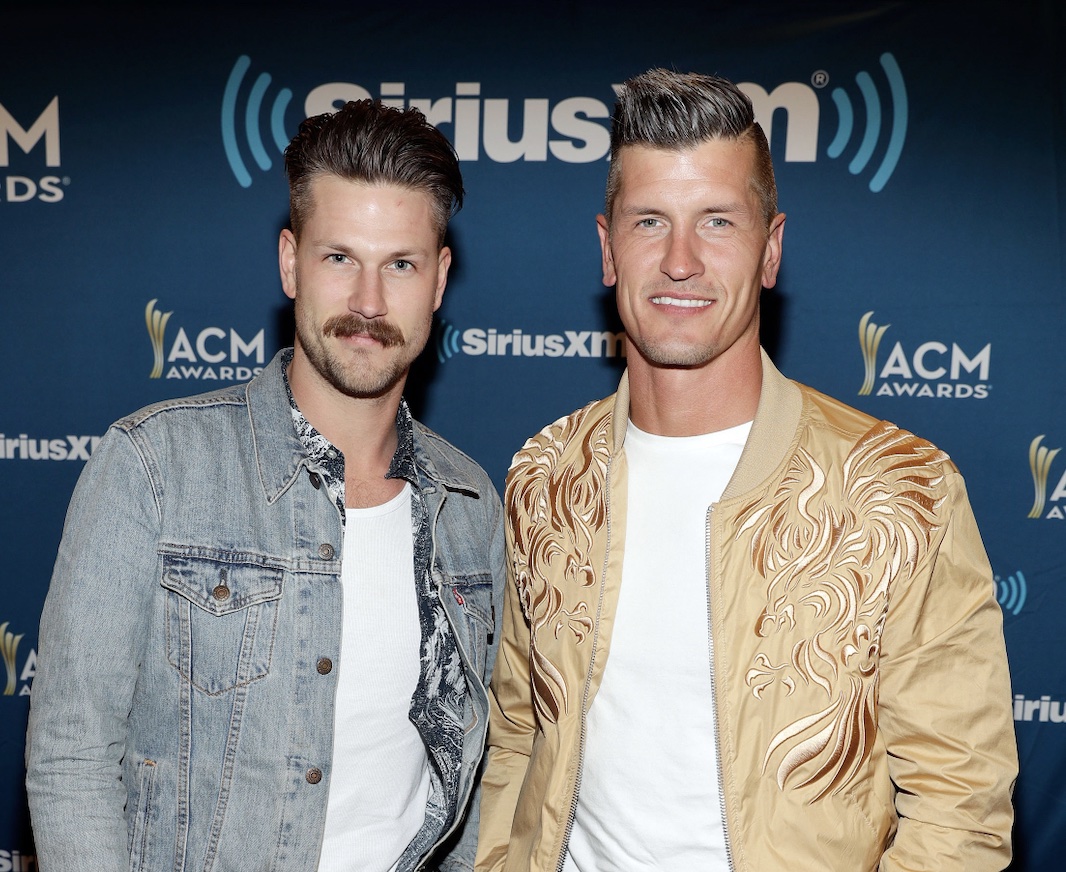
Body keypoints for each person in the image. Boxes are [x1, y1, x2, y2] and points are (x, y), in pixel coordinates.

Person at [475, 69, 1017, 872]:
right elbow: (518, 738)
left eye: (717, 222)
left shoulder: (902, 489)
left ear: (770, 249)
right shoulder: (546, 474)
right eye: (649, 220)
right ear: (606, 248)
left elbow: (958, 804)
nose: (681, 260)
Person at [26, 99, 505, 872]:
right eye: (339, 258)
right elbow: (71, 757)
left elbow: (481, 789)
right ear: (290, 263)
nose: (369, 304)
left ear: (440, 280)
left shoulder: (471, 506)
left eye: (401, 265)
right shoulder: (152, 467)